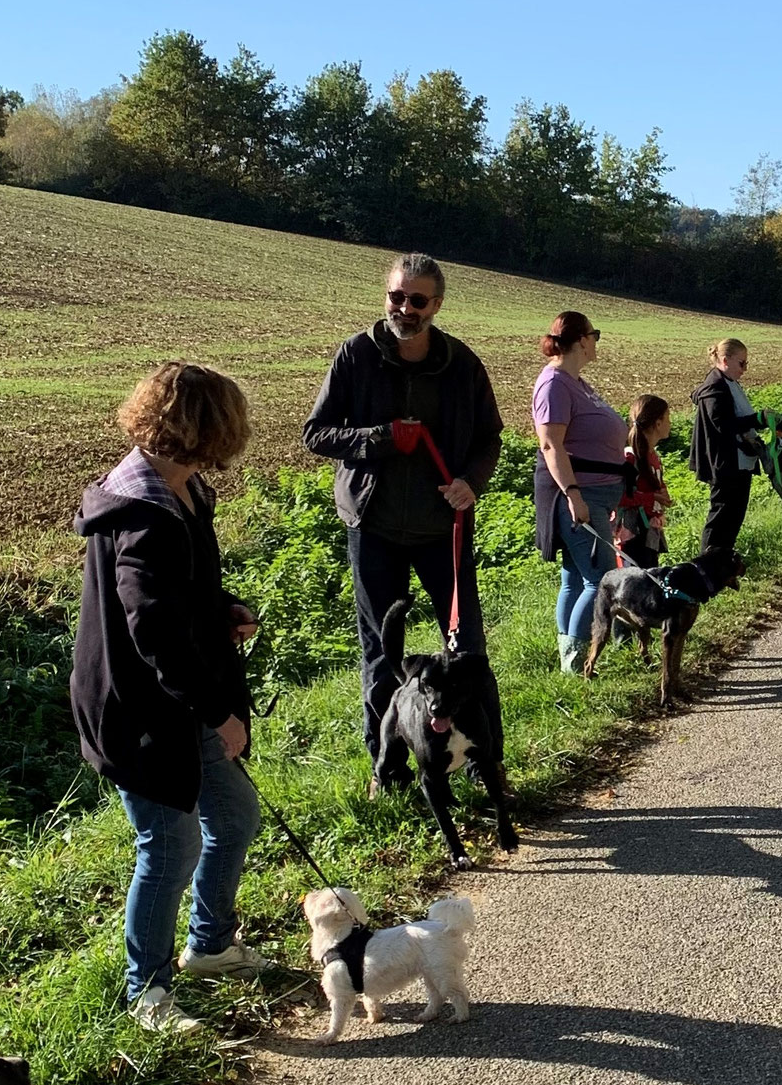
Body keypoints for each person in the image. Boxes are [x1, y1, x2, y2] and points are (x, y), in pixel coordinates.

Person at [72, 364, 263, 1031]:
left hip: (180, 699)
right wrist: (218, 714)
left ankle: (209, 947)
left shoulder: (183, 490)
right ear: (206, 430)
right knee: (170, 844)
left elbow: (184, 595)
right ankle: (147, 993)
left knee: (235, 816)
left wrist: (223, 609)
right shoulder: (145, 513)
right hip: (140, 712)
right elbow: (150, 628)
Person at [304, 253, 504, 745]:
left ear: (436, 304)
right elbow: (316, 434)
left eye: (417, 300)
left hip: (443, 529)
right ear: (386, 296)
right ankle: (385, 762)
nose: (405, 308)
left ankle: (483, 757)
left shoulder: (461, 363)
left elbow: (489, 438)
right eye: (397, 296)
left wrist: (471, 483)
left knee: (465, 647)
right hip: (373, 527)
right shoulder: (355, 355)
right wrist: (381, 437)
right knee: (380, 650)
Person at [532, 311, 629, 672]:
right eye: (595, 334)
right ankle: (575, 663)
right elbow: (551, 445)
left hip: (598, 492)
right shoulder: (554, 384)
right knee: (602, 581)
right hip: (579, 494)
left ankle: (571, 657)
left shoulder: (577, 382)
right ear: (582, 340)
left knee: (575, 578)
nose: (596, 342)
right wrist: (574, 496)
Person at [690, 339, 762, 561]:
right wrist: (758, 420)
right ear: (724, 360)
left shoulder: (729, 382)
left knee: (733, 518)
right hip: (725, 464)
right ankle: (705, 568)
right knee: (720, 518)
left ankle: (722, 567)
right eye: (741, 363)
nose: (744, 369)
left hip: (739, 463)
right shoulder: (715, 386)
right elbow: (722, 424)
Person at [616, 394, 673, 568]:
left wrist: (662, 495)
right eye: (668, 418)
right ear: (657, 423)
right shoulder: (629, 458)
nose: (670, 424)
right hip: (633, 535)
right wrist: (652, 497)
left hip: (650, 532)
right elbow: (620, 497)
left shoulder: (652, 455)